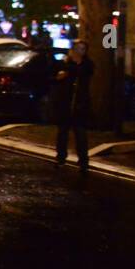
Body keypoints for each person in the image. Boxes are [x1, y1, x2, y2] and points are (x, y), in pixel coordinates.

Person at [52, 39, 93, 172]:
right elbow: (57, 76)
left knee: (80, 133)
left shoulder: (87, 64)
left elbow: (84, 72)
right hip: (65, 102)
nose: (80, 51)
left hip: (80, 103)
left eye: (83, 49)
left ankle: (83, 161)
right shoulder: (65, 63)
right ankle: (61, 158)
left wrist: (69, 70)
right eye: (78, 48)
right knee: (63, 132)